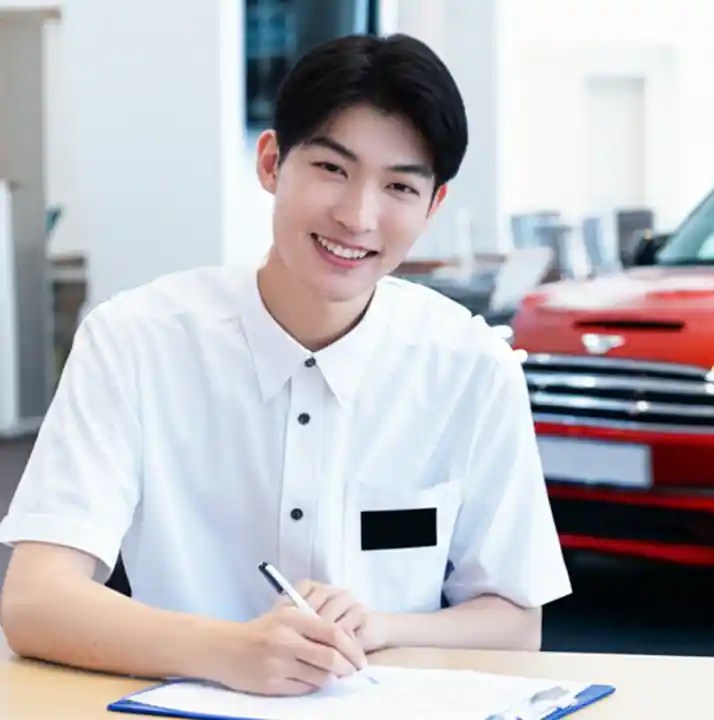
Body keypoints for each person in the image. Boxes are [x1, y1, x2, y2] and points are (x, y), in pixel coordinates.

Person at [0, 33, 570, 696]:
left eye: (398, 186)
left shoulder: (471, 368)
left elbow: (514, 621)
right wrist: (228, 650)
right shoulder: (134, 342)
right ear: (271, 163)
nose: (359, 216)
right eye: (332, 169)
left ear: (433, 206)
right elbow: (35, 601)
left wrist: (383, 626)